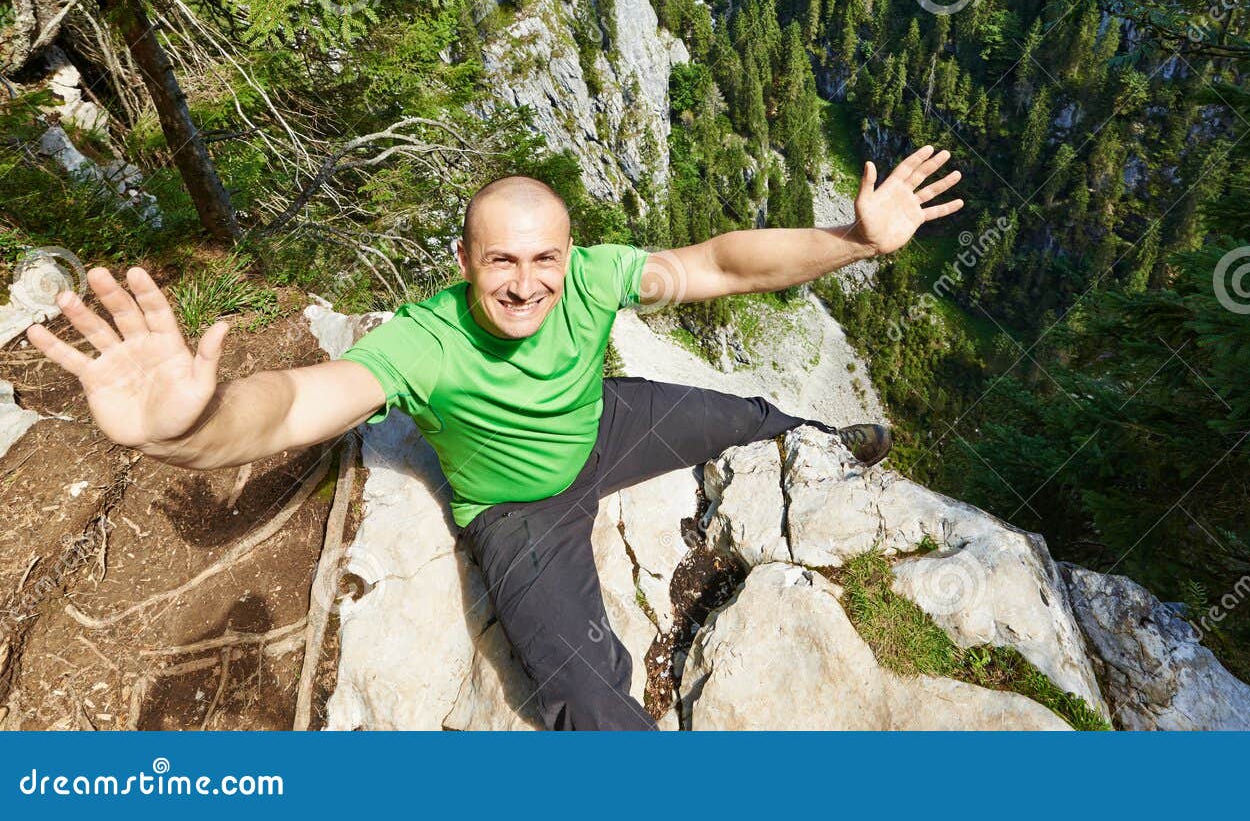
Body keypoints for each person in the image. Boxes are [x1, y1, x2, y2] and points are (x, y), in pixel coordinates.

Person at [26, 145, 963, 730]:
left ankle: (835, 445)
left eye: (543, 258)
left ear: (568, 253)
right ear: (464, 261)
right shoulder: (424, 340)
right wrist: (190, 426)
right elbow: (294, 405)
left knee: (755, 421)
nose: (524, 283)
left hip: (606, 427)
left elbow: (718, 262)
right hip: (517, 515)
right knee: (587, 700)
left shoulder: (596, 279)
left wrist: (854, 238)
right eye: (501, 260)